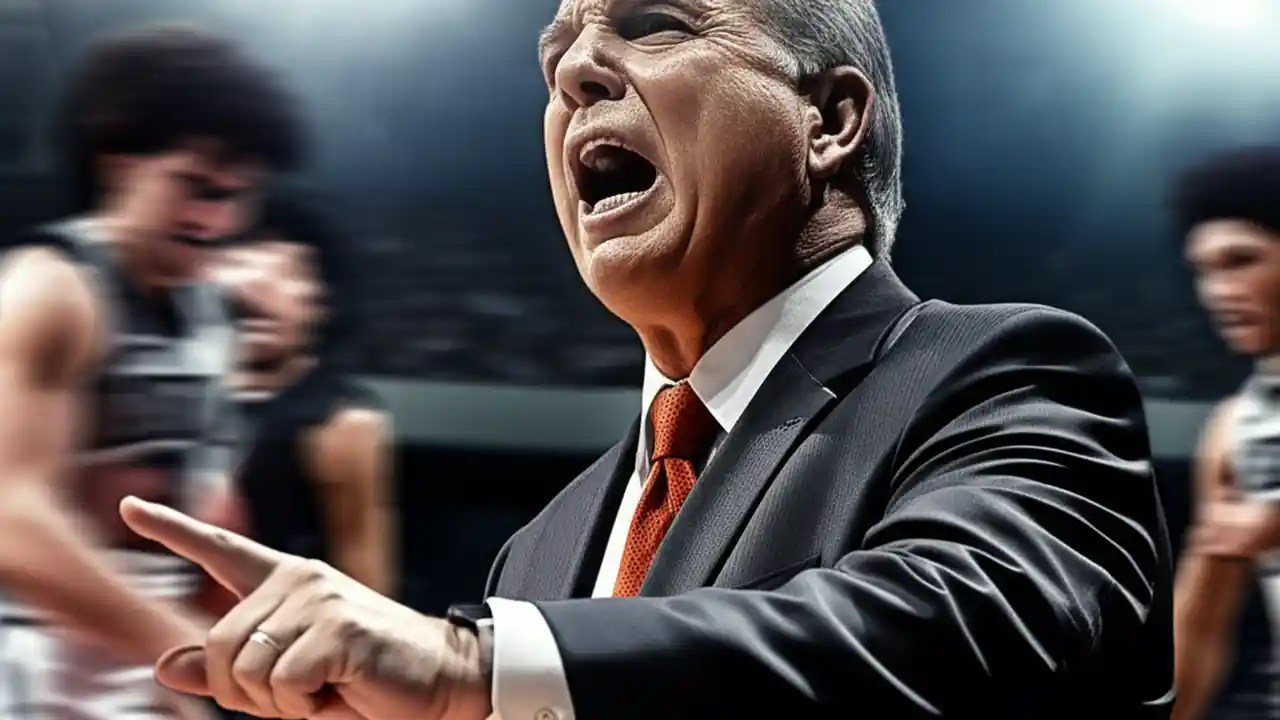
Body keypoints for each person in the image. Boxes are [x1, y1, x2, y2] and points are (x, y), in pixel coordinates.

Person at [120, 1, 1174, 718]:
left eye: (654, 23)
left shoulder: (1006, 378)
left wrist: (469, 669)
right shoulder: (538, 553)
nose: (574, 70)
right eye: (555, 57)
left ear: (829, 120)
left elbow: (942, 627)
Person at [0, 24, 302, 719]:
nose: (214, 220)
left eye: (235, 196)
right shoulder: (50, 291)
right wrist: (187, 647)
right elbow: (13, 523)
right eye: (193, 187)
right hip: (29, 668)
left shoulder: (209, 314)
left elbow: (202, 509)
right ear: (118, 162)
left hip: (145, 673)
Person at [217, 194, 396, 596]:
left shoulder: (341, 425)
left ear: (319, 302)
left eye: (288, 272)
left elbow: (367, 589)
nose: (258, 287)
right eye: (239, 263)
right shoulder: (178, 397)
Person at [1171, 146, 1280, 720]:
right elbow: (1203, 623)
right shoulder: (1235, 429)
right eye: (1204, 270)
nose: (1217, 292)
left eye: (1241, 261)